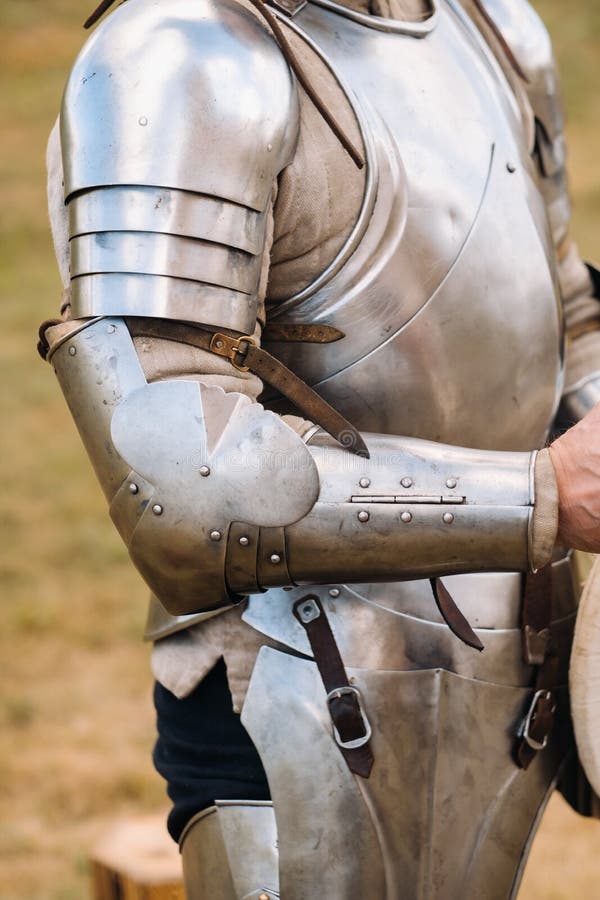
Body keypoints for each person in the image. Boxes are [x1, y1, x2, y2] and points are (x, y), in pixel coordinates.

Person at [41, 0, 600, 895]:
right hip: (301, 694)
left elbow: (562, 310)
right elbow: (180, 483)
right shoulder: (184, 57)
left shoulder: (493, 26)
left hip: (506, 680)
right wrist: (542, 495)